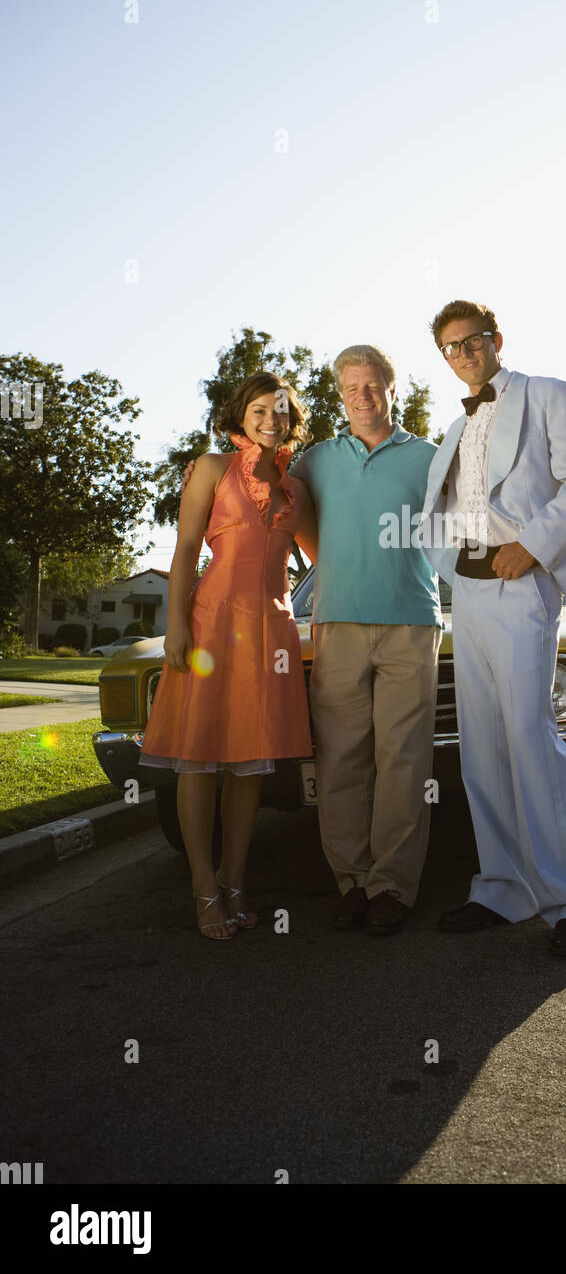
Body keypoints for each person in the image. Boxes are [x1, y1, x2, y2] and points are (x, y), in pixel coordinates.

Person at [419, 300, 566, 957]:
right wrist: (448, 565)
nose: (464, 354)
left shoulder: (548, 395)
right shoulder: (453, 426)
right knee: (483, 747)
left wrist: (530, 547)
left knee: (532, 738)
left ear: (495, 340)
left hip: (523, 582)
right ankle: (503, 888)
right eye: (450, 347)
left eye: (471, 341)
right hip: (468, 592)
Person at [141, 373, 316, 940]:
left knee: (250, 765)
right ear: (240, 416)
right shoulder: (211, 468)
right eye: (259, 408)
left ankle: (235, 881)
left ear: (293, 418)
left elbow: (320, 556)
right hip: (212, 624)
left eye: (281, 409)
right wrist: (174, 627)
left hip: (272, 633)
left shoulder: (294, 486)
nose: (271, 418)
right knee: (201, 760)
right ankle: (203, 887)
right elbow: (187, 549)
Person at [287, 346, 442, 935]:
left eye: (373, 385)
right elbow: (288, 512)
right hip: (337, 623)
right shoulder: (315, 460)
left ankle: (393, 889)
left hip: (411, 621)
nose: (363, 396)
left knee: (402, 760)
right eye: (352, 387)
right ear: (340, 394)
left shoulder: (430, 456)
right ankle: (351, 881)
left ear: (392, 389)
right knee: (342, 758)